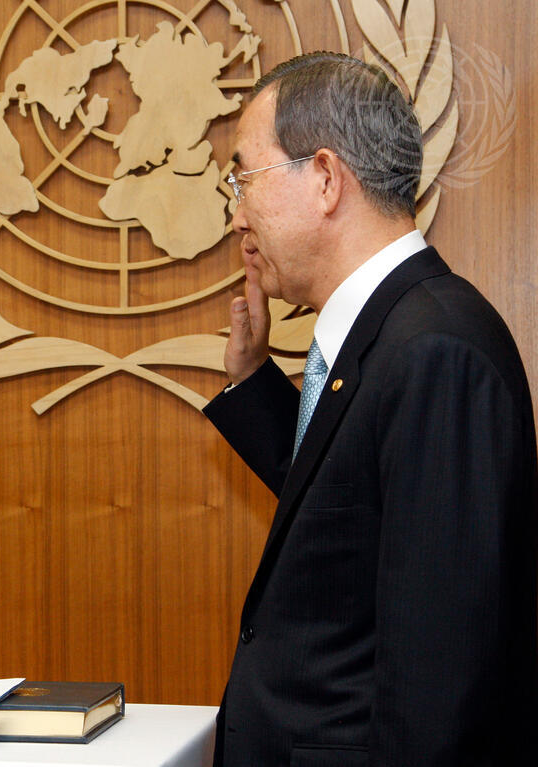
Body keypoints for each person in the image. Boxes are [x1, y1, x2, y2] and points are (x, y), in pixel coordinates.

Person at [204, 52, 537, 765]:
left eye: (244, 179)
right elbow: (347, 513)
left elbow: (438, 688)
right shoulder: (393, 334)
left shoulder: (435, 352)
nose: (237, 216)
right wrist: (254, 382)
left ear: (324, 178)